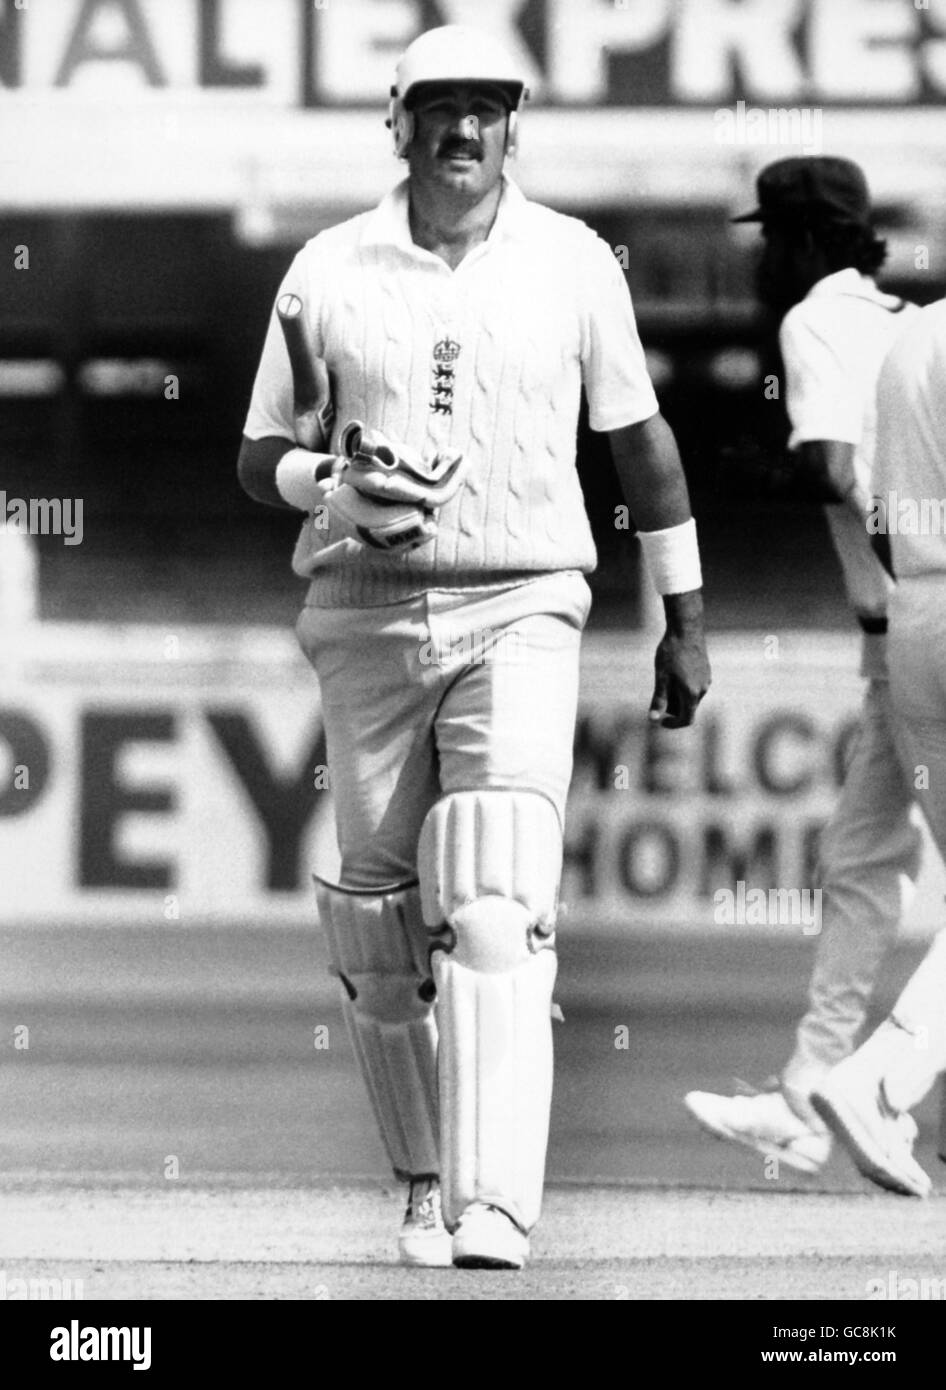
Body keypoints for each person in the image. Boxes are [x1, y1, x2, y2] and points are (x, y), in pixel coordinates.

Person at [238, 24, 709, 1270]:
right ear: (396, 122)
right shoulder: (325, 270)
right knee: (380, 937)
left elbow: (640, 439)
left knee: (498, 896)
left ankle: (497, 1204)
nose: (464, 131)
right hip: (364, 610)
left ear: (513, 127)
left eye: (487, 111)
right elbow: (255, 454)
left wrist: (685, 610)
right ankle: (423, 1183)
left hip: (525, 599)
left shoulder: (571, 263)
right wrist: (330, 484)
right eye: (439, 109)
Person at [685, 157, 924, 1178]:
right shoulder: (906, 319)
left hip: (908, 619)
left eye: (769, 240)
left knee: (867, 867)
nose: (759, 262)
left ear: (806, 241)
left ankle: (883, 1082)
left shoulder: (814, 318)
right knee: (861, 864)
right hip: (903, 632)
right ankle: (807, 1095)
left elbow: (830, 462)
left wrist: (756, 472)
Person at [812, 298, 946, 1197]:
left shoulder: (913, 337)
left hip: (916, 615)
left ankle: (894, 1091)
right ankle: (880, 1078)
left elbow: (857, 486)